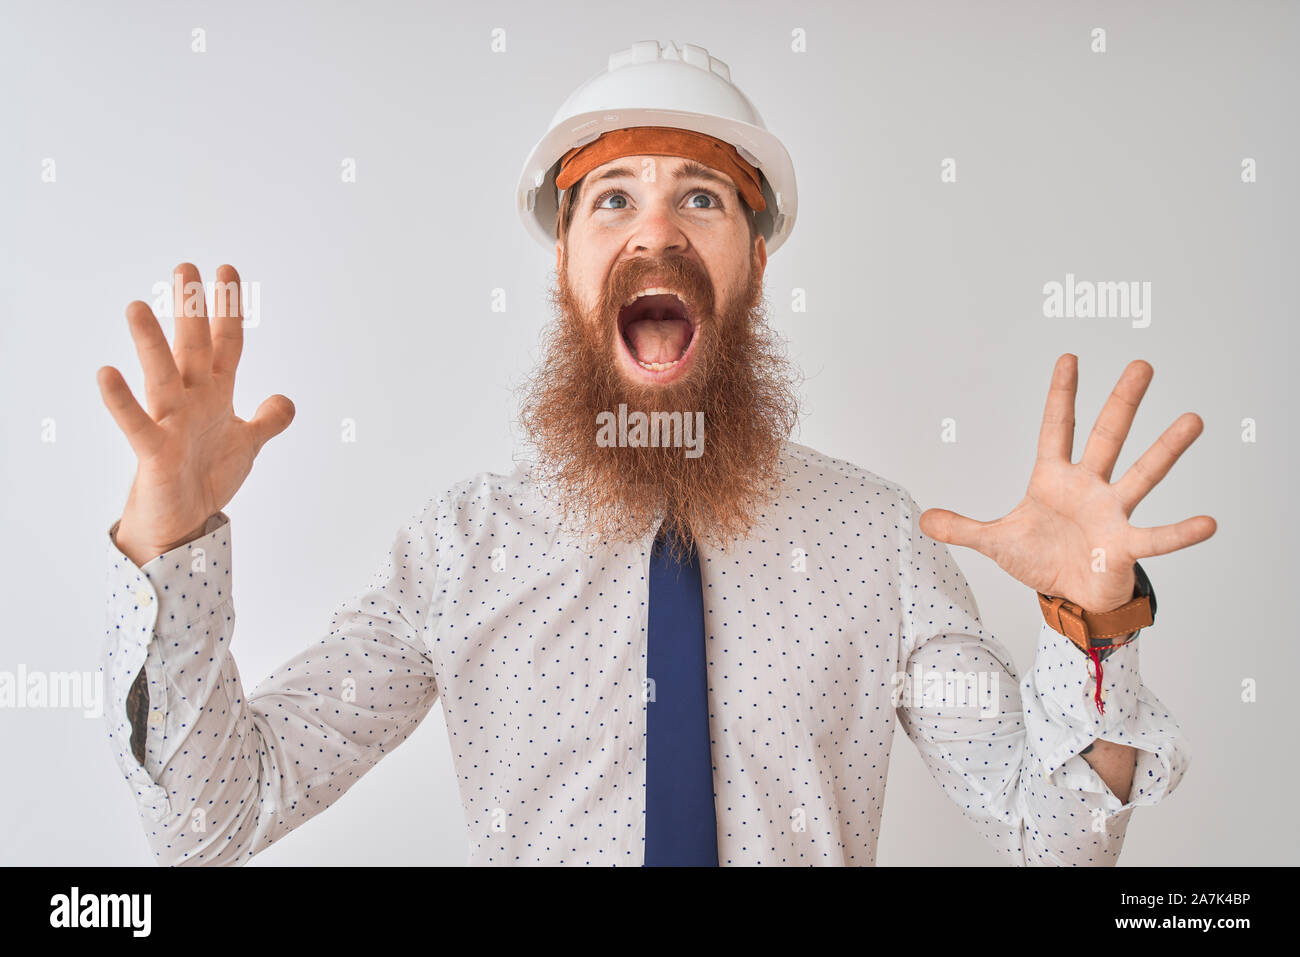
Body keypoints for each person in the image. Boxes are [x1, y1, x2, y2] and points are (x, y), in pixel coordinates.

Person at [96, 40, 1214, 866]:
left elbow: (1057, 839)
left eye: (701, 198)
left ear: (755, 267)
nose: (655, 231)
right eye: (612, 201)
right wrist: (172, 545)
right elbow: (211, 820)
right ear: (568, 271)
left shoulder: (873, 538)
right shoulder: (459, 548)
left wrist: (1088, 630)